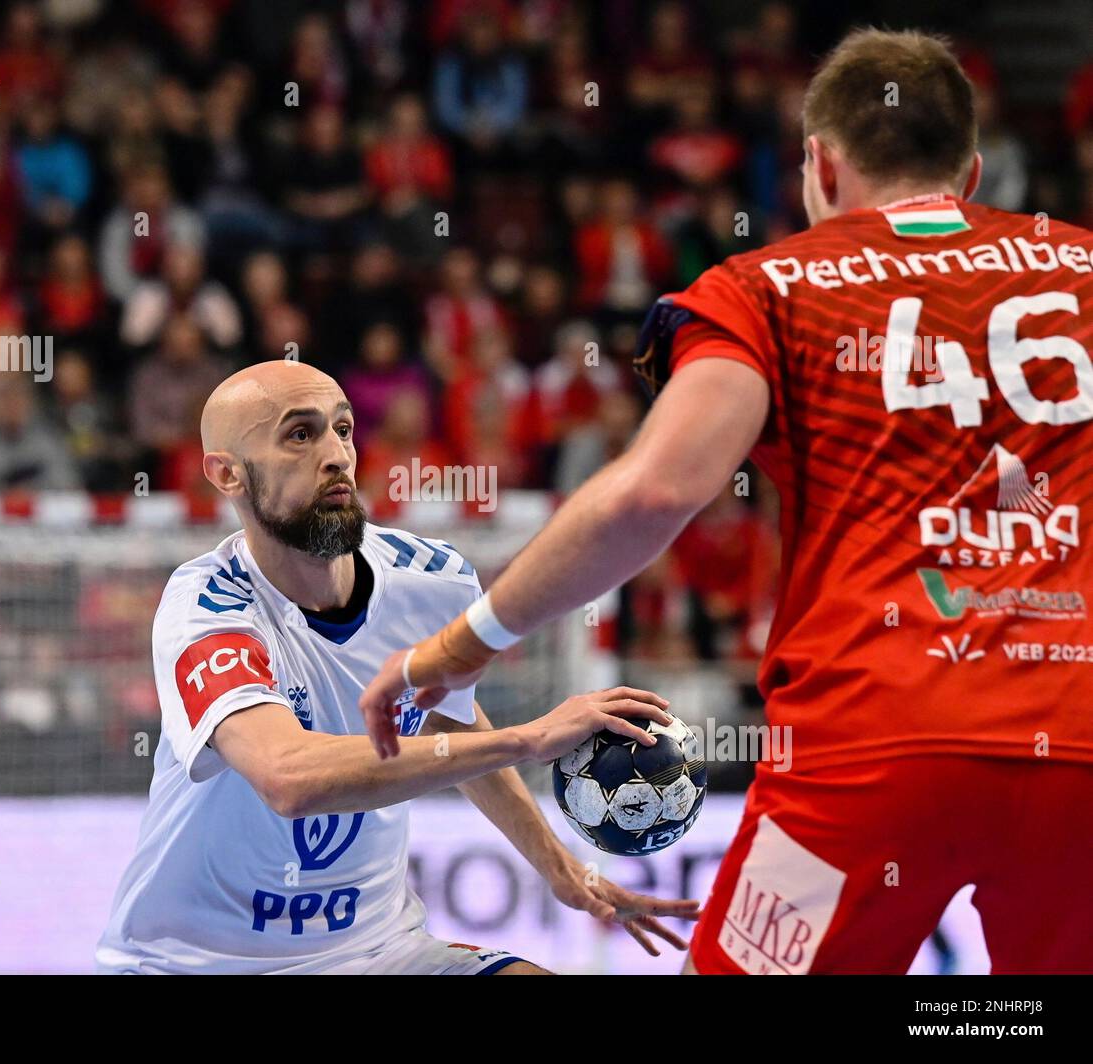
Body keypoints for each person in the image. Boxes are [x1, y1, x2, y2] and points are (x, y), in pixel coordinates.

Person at [360, 29, 1093, 975]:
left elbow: (658, 488)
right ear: (974, 171)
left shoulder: (771, 285)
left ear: (819, 166)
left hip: (868, 745)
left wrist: (459, 647)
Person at [96, 360, 698, 974]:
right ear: (227, 474)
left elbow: (448, 725)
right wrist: (528, 739)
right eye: (299, 435)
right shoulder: (207, 606)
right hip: (194, 963)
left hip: (378, 951)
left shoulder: (432, 580)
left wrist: (557, 864)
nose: (336, 455)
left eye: (344, 429)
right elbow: (289, 777)